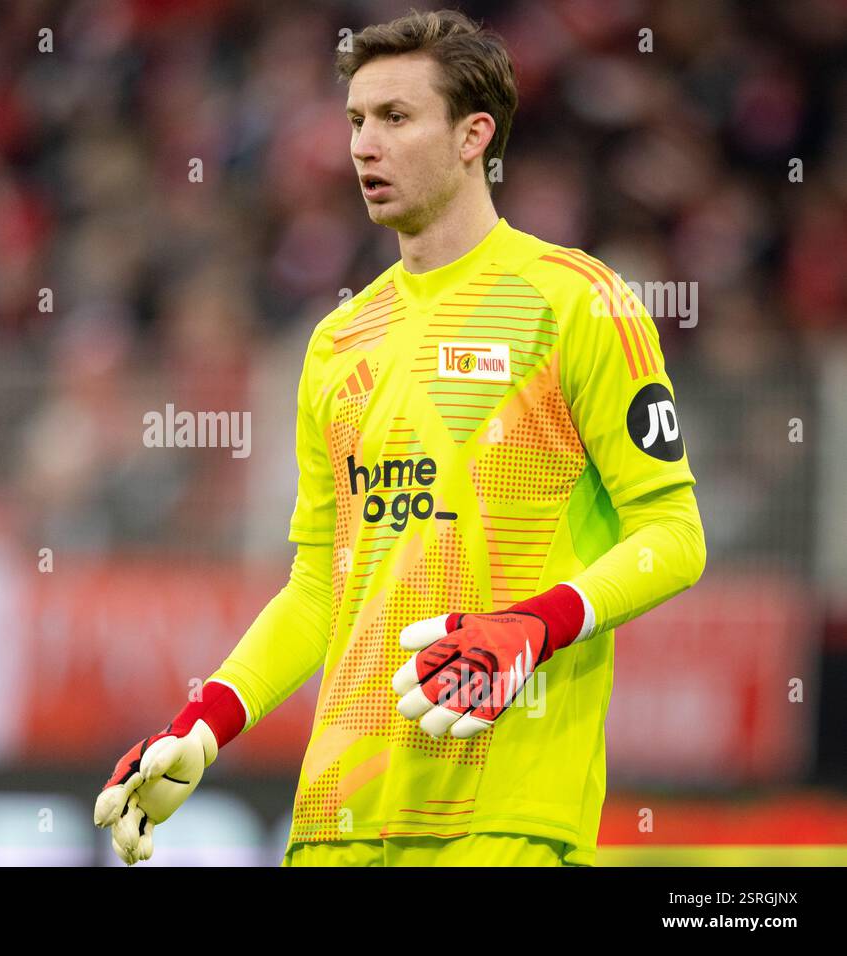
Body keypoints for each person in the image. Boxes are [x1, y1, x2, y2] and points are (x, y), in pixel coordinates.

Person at [94, 7, 706, 867]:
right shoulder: (337, 343)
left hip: (503, 813)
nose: (362, 146)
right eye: (354, 120)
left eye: (394, 118)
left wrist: (531, 626)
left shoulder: (575, 301)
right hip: (337, 818)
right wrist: (204, 725)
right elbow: (318, 587)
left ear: (472, 135)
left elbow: (674, 536)